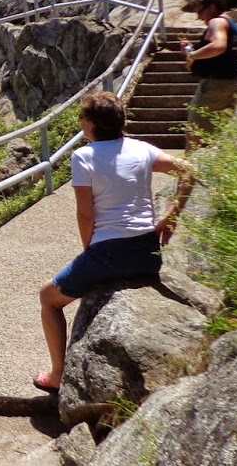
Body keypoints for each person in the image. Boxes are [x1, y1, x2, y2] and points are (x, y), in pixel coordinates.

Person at [34, 91, 194, 393]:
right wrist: (170, 218)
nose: (80, 122)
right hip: (148, 252)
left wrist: (88, 251)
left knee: (47, 298)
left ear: (92, 124)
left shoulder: (84, 157)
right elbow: (190, 171)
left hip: (109, 253)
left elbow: (85, 213)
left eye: (82, 117)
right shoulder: (142, 149)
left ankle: (56, 375)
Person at [180, 0, 237, 146]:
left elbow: (218, 45)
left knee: (195, 133)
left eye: (200, 12)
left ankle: (193, 168)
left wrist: (193, 56)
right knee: (217, 135)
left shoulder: (217, 22)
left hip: (215, 85)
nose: (199, 17)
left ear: (212, 7)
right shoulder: (231, 23)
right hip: (229, 84)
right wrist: (193, 50)